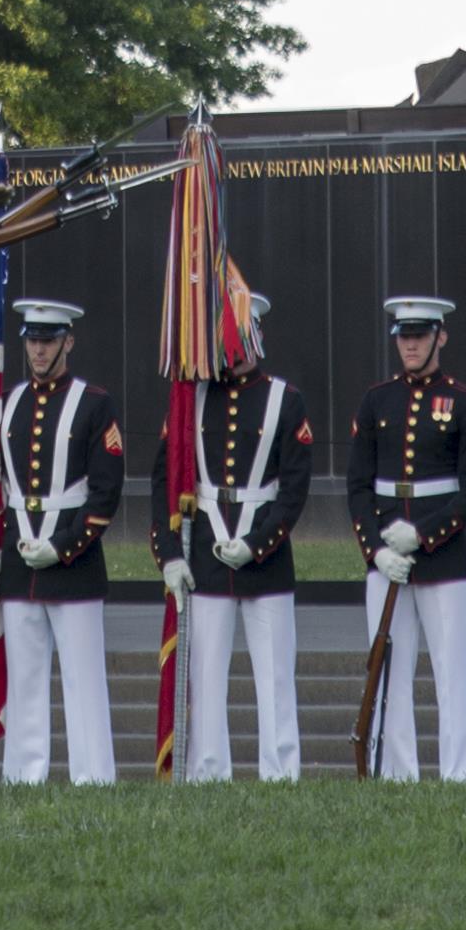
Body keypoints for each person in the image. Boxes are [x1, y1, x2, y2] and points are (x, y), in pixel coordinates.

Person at [160, 294, 314, 781]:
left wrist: (258, 543)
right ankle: (208, 774)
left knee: (275, 678)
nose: (233, 347)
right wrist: (168, 554)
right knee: (205, 678)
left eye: (241, 336)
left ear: (257, 336)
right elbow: (165, 481)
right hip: (205, 551)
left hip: (266, 555)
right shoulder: (192, 399)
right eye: (225, 336)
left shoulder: (285, 399)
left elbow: (294, 490)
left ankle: (281, 774)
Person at [347, 295, 466, 782]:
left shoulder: (465, 403)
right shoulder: (376, 401)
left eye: (419, 336)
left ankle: (459, 777)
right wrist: (376, 550)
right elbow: (357, 486)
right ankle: (396, 776)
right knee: (389, 676)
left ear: (440, 338)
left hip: (444, 559)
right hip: (387, 557)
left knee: (453, 675)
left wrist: (424, 534)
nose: (410, 345)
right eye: (404, 336)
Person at [0, 296, 125, 787]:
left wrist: (64, 546)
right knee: (24, 680)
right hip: (19, 557)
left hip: (74, 562)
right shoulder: (8, 403)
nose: (39, 350)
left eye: (48, 341)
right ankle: (24, 777)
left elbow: (105, 493)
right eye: (32, 341)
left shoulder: (94, 403)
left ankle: (93, 778)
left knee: (83, 680)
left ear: (69, 342)